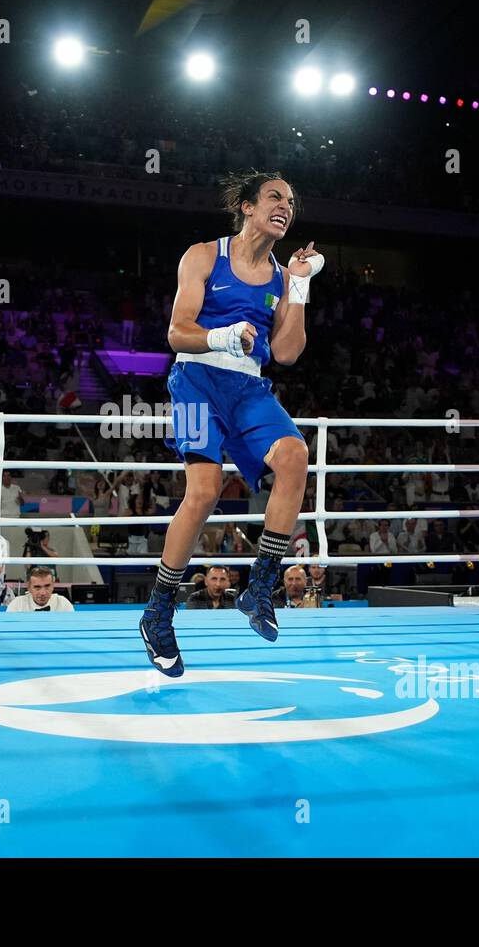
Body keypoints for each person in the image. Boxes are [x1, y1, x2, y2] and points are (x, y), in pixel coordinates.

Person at [136, 171, 322, 676]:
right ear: (245, 206)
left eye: (291, 201)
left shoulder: (285, 276)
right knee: (204, 490)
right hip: (195, 382)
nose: (285, 206)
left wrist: (300, 287)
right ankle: (158, 610)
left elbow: (285, 353)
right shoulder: (202, 255)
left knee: (295, 456)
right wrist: (221, 336)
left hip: (249, 389)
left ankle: (260, 585)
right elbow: (177, 332)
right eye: (274, 197)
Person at [6, 566, 75, 612]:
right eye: (37, 587)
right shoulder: (17, 604)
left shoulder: (63, 604)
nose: (43, 593)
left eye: (47, 586)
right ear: (29, 587)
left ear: (53, 585)